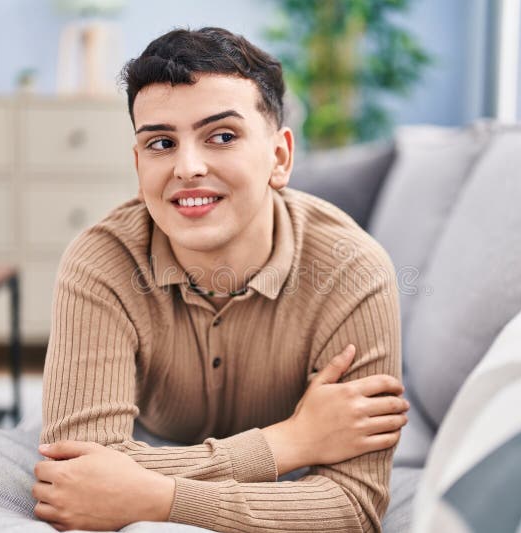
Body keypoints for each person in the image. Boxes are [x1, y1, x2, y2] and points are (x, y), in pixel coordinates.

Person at [32, 26, 408, 533]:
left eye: (222, 136)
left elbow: (353, 508)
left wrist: (161, 500)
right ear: (139, 163)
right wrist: (290, 442)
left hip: (151, 457)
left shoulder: (353, 272)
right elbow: (74, 475)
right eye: (162, 143)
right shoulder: (100, 262)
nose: (187, 167)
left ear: (280, 157)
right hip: (168, 435)